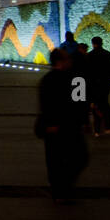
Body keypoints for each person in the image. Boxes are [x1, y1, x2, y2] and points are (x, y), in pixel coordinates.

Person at [34, 48, 88, 201]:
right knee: (67, 159)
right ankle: (62, 190)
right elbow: (47, 104)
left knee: (64, 159)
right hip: (61, 126)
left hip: (63, 126)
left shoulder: (50, 79)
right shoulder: (66, 78)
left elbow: (80, 101)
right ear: (60, 61)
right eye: (67, 59)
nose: (70, 61)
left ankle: (61, 188)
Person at [86, 36, 110, 134]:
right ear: (102, 43)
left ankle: (97, 127)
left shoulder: (89, 56)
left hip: (93, 84)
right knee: (104, 101)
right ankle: (108, 124)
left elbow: (86, 71)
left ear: (93, 43)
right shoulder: (108, 55)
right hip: (105, 83)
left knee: (95, 103)